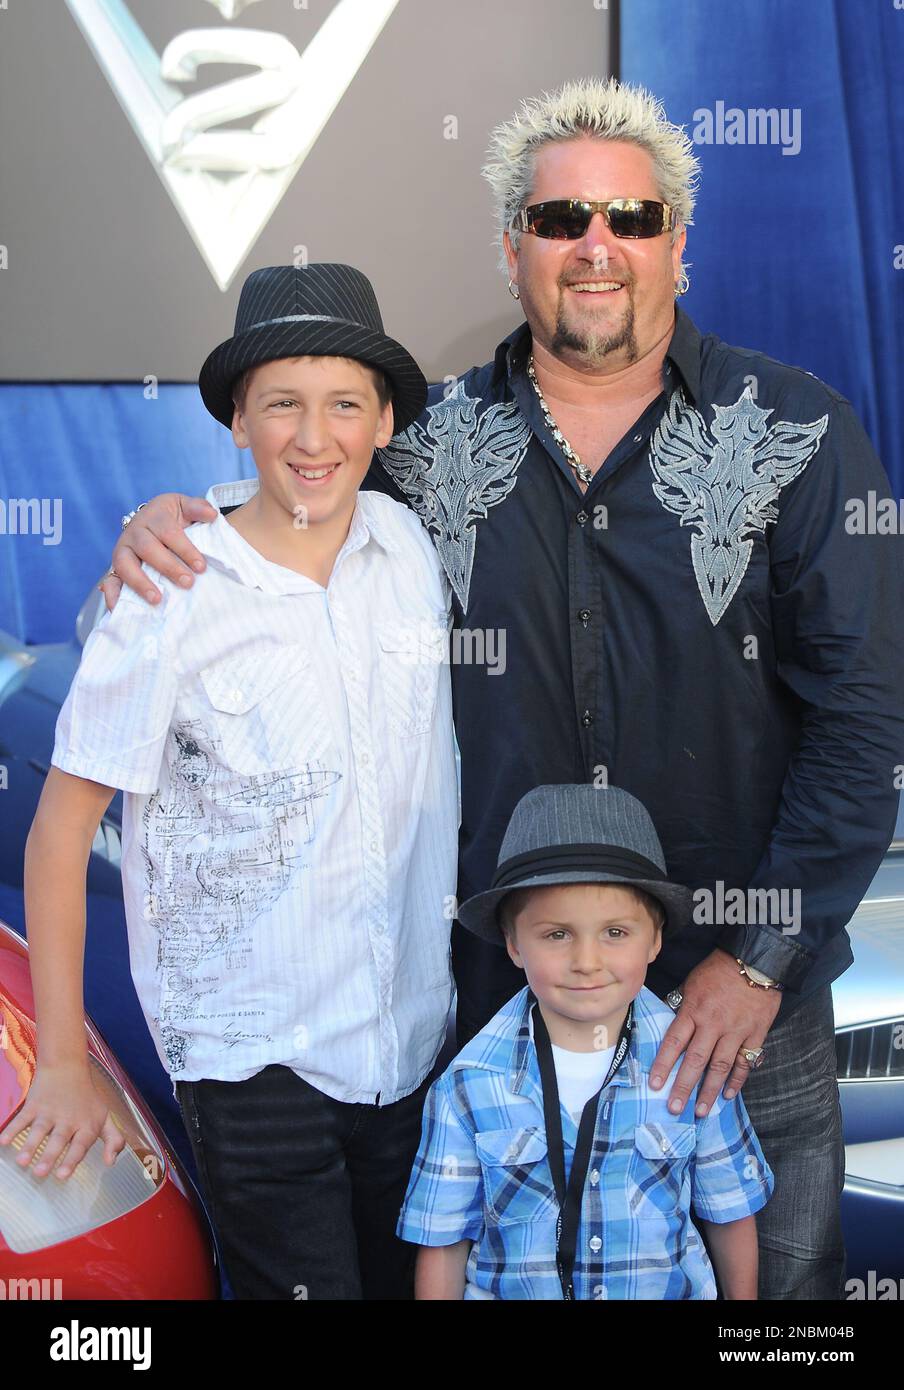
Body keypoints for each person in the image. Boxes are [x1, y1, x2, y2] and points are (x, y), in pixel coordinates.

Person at [99, 78, 904, 1299]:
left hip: (735, 1000)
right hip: (495, 1003)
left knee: (776, 1308)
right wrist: (174, 527)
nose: (597, 245)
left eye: (632, 218)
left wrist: (759, 959)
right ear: (512, 247)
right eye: (560, 218)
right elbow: (292, 518)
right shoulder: (421, 450)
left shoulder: (794, 432)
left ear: (677, 244)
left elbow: (864, 718)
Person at [0, 263, 459, 1300]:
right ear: (237, 422)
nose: (313, 436)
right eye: (281, 404)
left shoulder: (413, 549)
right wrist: (65, 1061)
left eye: (344, 403)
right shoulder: (171, 586)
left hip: (409, 1042)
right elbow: (62, 831)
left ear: (385, 423)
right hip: (253, 1064)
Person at [400, 783, 774, 1300]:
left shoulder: (695, 1061)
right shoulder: (467, 1085)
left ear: (656, 939)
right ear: (513, 943)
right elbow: (443, 1244)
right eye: (557, 934)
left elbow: (730, 1211)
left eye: (615, 933)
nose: (587, 961)